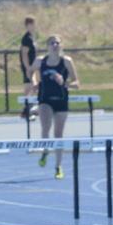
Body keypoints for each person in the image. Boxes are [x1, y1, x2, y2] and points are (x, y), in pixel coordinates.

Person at [29, 36, 78, 178]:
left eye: (57, 43)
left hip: (61, 100)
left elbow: (77, 83)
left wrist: (64, 82)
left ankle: (58, 166)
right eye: (52, 43)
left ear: (61, 46)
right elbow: (30, 71)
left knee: (58, 134)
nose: (55, 45)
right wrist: (34, 82)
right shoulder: (40, 61)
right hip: (45, 99)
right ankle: (45, 150)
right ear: (47, 46)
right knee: (45, 127)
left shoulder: (66, 62)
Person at [18, 17, 38, 119]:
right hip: (28, 66)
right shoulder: (26, 38)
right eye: (32, 24)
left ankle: (26, 109)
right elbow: (24, 54)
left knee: (30, 87)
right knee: (32, 86)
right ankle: (27, 108)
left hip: (32, 66)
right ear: (27, 25)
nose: (34, 26)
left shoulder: (32, 37)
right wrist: (27, 68)